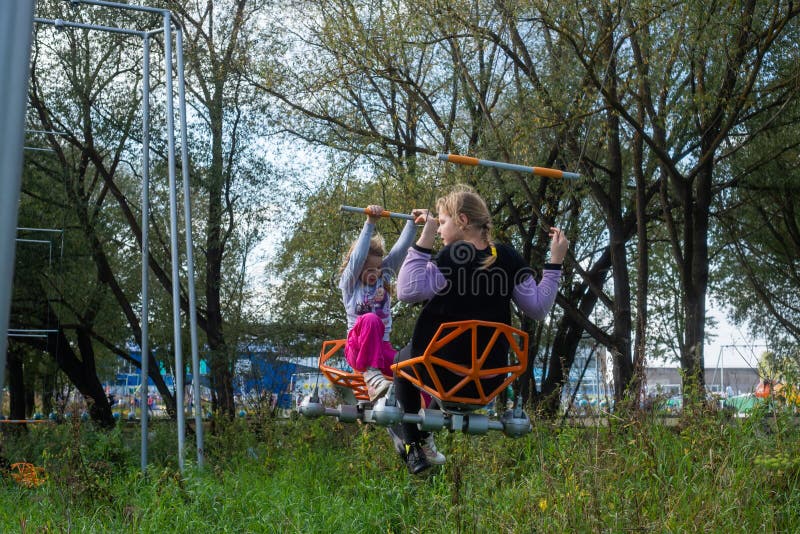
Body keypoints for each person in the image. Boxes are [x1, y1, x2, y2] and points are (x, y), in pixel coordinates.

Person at [394, 184, 569, 474]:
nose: (439, 229)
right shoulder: (509, 259)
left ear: (462, 221)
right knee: (436, 358)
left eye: (443, 221)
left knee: (401, 362)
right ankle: (425, 438)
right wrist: (555, 262)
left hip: (441, 373)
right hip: (487, 378)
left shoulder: (452, 256)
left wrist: (423, 239)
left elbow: (406, 290)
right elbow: (538, 309)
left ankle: (413, 446)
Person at [339, 204, 418, 402]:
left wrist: (412, 222)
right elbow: (357, 258)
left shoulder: (383, 278)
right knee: (371, 319)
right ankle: (370, 375)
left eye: (378, 269)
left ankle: (422, 414)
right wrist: (370, 223)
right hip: (357, 349)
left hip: (382, 348)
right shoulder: (350, 284)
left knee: (410, 368)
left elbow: (399, 252)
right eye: (370, 269)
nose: (375, 273)